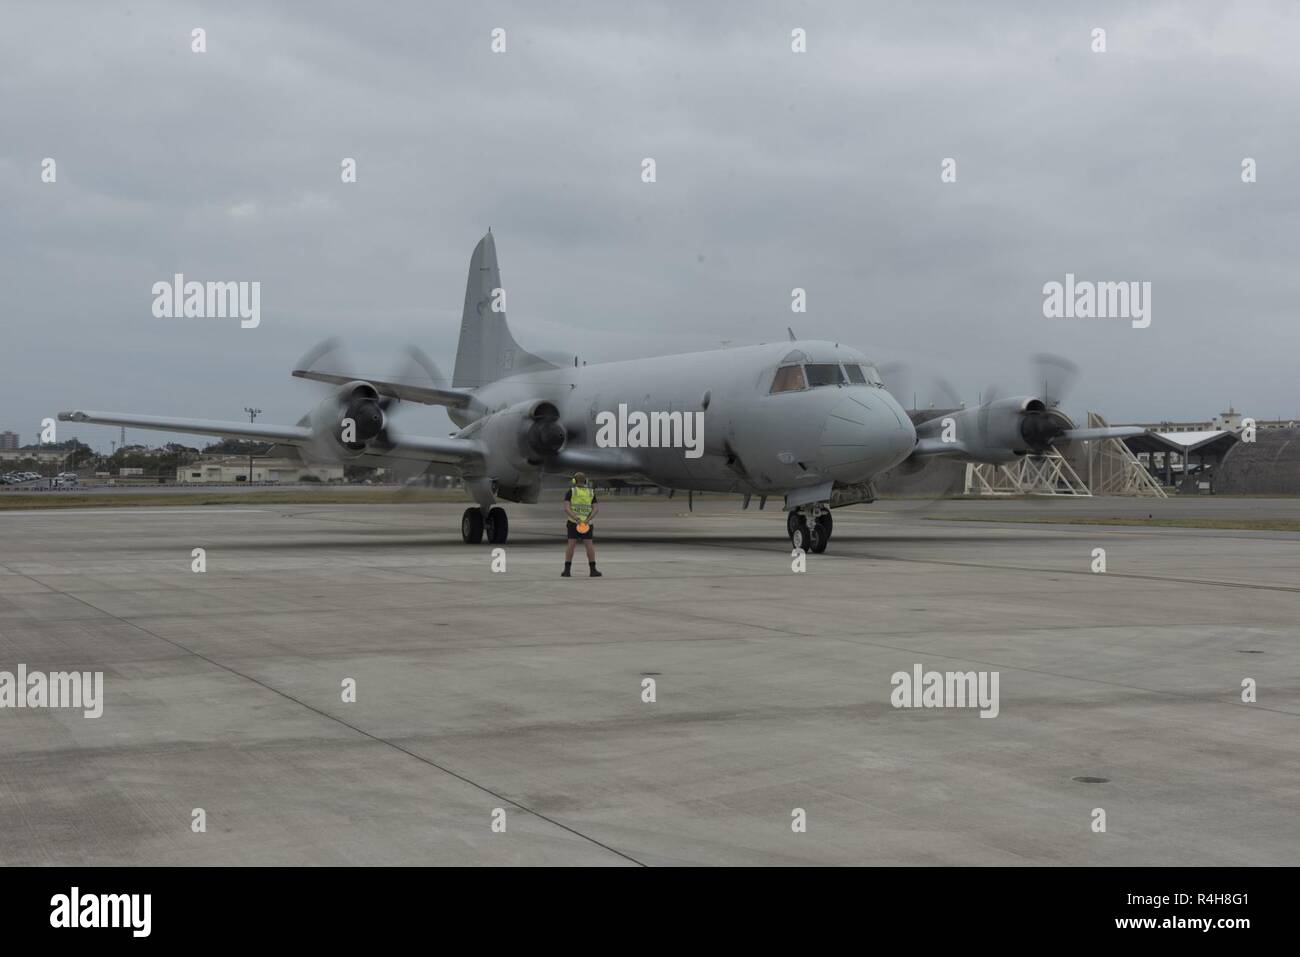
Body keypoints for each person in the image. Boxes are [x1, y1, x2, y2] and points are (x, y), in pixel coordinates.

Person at [563, 472, 601, 577]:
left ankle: (567, 571)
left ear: (574, 481)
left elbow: (566, 508)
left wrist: (576, 519)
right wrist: (588, 519)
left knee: (571, 546)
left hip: (573, 522)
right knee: (589, 546)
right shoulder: (591, 492)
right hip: (587, 523)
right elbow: (596, 509)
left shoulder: (571, 492)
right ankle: (593, 570)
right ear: (585, 481)